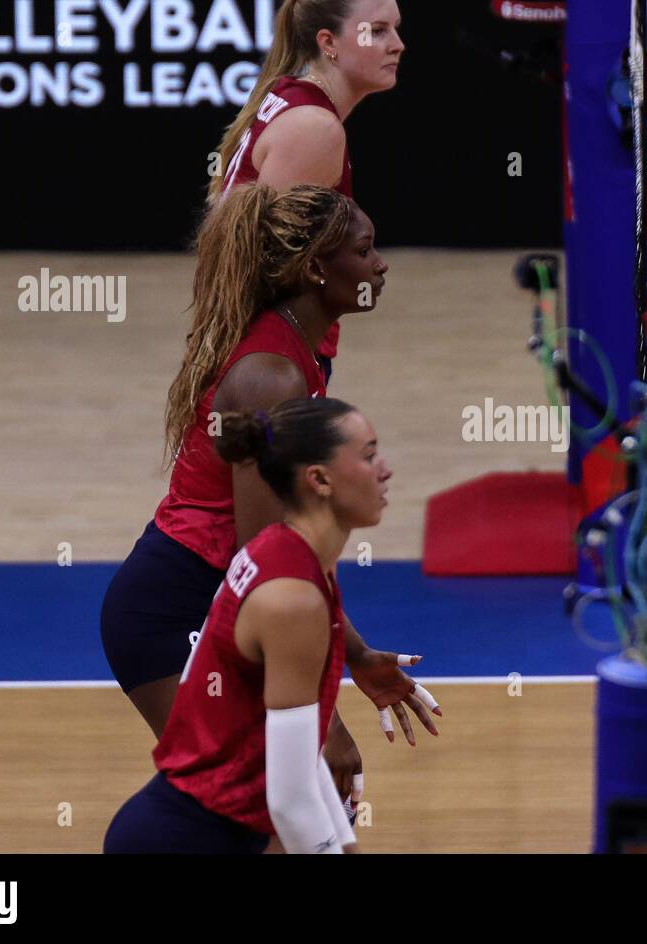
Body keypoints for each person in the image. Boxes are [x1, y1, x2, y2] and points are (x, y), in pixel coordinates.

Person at [100, 184, 438, 806]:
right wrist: (322, 721)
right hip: (172, 614)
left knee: (274, 811)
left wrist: (356, 655)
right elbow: (261, 559)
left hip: (218, 604)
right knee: (247, 803)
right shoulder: (269, 376)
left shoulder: (296, 356)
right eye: (365, 251)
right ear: (315, 269)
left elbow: (293, 550)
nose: (381, 265)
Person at [106, 399, 402, 854]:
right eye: (368, 455)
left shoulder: (292, 556)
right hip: (181, 841)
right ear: (319, 480)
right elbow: (290, 800)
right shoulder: (292, 599)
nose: (385, 470)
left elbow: (302, 768)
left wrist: (345, 847)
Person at [212, 0, 405, 383]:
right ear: (328, 42)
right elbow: (263, 267)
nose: (398, 44)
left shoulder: (295, 98)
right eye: (378, 31)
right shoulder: (314, 129)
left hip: (264, 352)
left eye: (397, 28)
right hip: (268, 356)